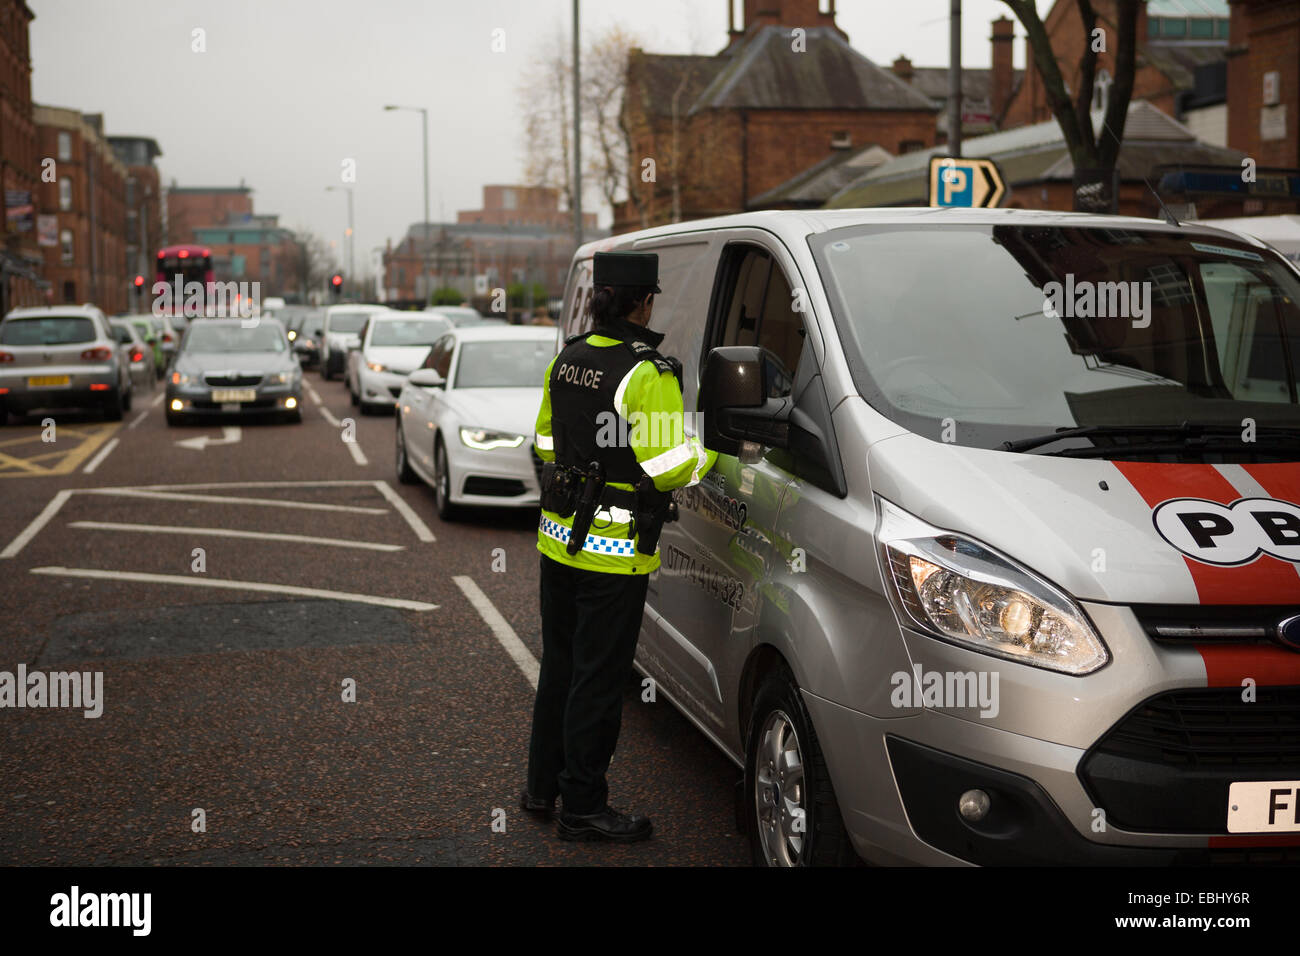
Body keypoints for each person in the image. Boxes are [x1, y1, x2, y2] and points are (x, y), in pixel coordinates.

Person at [523, 251, 716, 842]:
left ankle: (541, 788)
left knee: (559, 668)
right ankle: (582, 807)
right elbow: (667, 466)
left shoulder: (569, 359)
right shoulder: (648, 373)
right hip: (613, 558)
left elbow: (544, 442)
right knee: (599, 683)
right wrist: (717, 455)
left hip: (558, 546)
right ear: (644, 302)